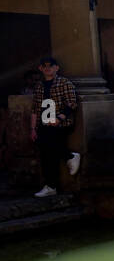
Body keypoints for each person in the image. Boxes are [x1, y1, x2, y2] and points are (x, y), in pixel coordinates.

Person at [29, 56, 80, 197]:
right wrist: (33, 128)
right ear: (40, 68)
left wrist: (59, 118)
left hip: (61, 124)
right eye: (44, 66)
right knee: (46, 155)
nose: (47, 68)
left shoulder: (64, 83)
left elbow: (72, 104)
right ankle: (51, 186)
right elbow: (35, 109)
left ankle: (70, 156)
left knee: (50, 146)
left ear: (56, 68)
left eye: (50, 66)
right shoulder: (39, 86)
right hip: (44, 124)